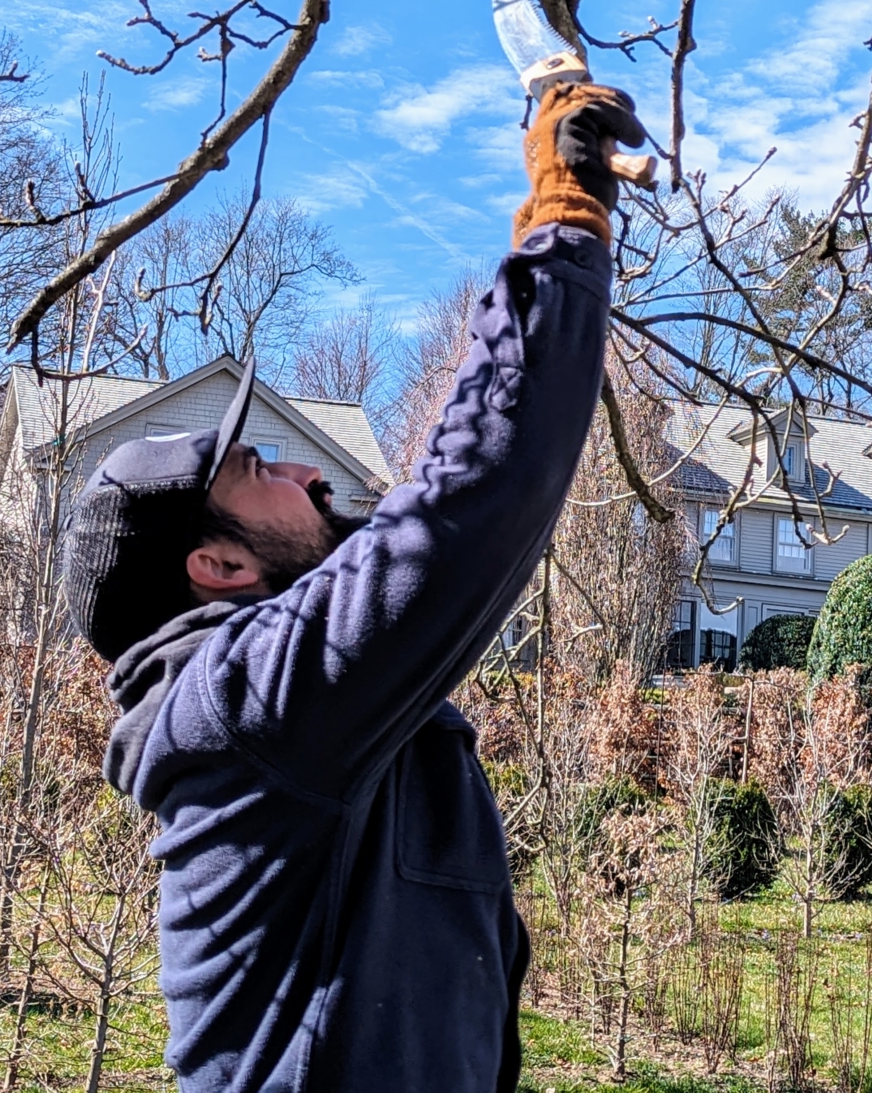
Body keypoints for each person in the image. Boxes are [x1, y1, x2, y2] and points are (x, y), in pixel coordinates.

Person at [63, 83, 647, 1093]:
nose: (309, 473)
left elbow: (426, 526)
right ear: (222, 568)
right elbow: (466, 510)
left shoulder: (301, 705)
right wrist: (559, 223)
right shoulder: (246, 704)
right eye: (260, 471)